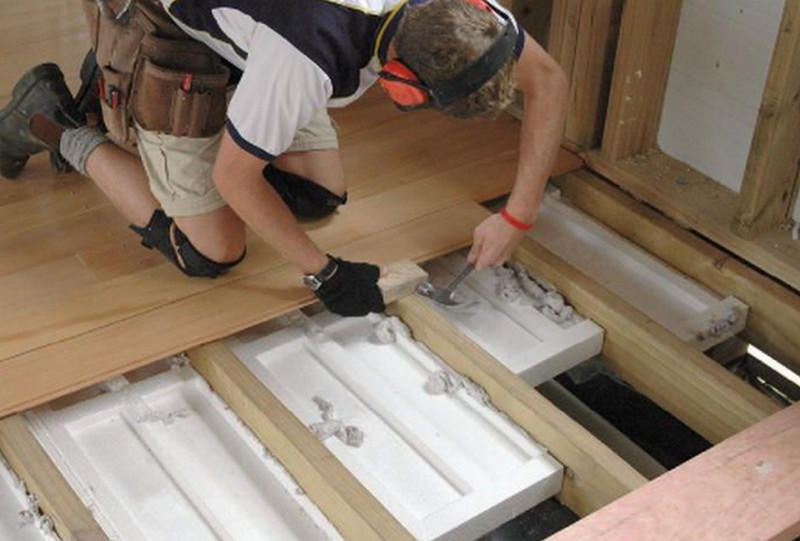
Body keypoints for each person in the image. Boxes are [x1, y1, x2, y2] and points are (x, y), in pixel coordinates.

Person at [0, 0, 567, 317]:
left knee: (315, 197)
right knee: (214, 251)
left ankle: (204, 102)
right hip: (169, 19)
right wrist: (324, 272)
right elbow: (234, 177)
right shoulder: (308, 59)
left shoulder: (465, 19)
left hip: (262, 29)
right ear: (400, 83)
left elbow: (547, 78)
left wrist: (519, 213)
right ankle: (56, 119)